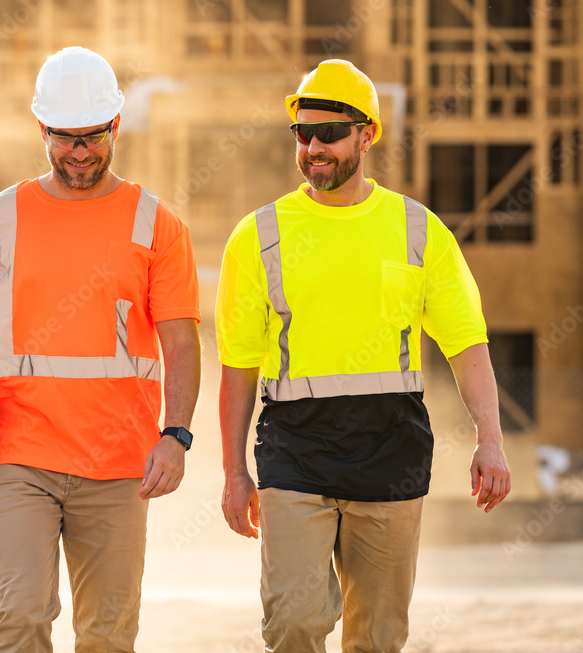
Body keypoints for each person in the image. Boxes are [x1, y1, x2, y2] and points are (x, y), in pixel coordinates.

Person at [215, 58, 512, 653]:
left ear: (367, 134)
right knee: (294, 622)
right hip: (294, 451)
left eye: (329, 134)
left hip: (391, 449)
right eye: (304, 134)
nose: (314, 148)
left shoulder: (418, 229)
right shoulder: (259, 235)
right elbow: (239, 367)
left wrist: (491, 437)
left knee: (377, 637)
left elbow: (465, 343)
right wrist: (232, 473)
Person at [0, 46, 201, 653]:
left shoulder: (157, 225)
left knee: (108, 635)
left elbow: (181, 340)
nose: (79, 152)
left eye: (92, 137)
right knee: (20, 619)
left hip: (120, 464)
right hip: (19, 454)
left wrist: (176, 436)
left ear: (116, 126)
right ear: (41, 129)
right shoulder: (0, 218)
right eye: (66, 138)